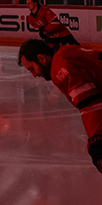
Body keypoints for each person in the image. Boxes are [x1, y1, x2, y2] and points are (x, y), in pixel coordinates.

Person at [18, 39, 102, 173]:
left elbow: (90, 105)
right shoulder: (65, 51)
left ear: (41, 58)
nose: (34, 75)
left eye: (32, 69)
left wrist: (96, 141)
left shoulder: (59, 68)